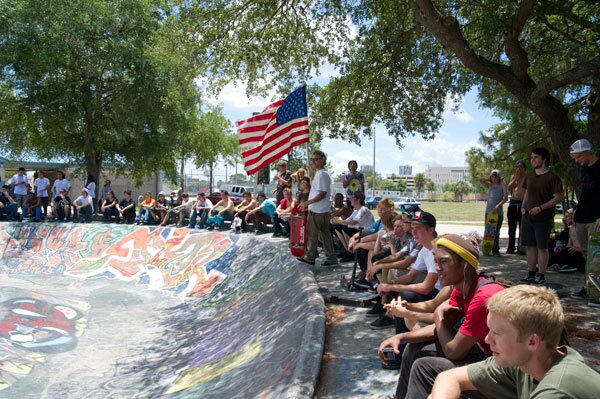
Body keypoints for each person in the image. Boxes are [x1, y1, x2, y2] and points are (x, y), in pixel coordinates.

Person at [378, 233, 504, 399]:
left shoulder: (483, 296)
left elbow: (453, 352)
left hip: (501, 371)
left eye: (444, 261)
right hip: (483, 354)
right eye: (436, 261)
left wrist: (437, 315)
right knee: (414, 348)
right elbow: (439, 329)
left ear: (465, 265)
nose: (437, 268)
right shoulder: (463, 288)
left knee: (424, 367)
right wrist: (401, 338)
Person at [430, 285, 600, 399]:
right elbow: (449, 377)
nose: (488, 339)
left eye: (496, 333)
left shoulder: (556, 391)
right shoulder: (527, 361)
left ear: (532, 341)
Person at [373, 212, 440, 330]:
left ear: (431, 230)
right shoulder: (425, 249)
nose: (413, 232)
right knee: (395, 289)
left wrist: (393, 287)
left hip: (440, 294)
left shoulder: (438, 250)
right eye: (412, 228)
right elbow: (410, 276)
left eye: (418, 228)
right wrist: (389, 285)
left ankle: (403, 339)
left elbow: (426, 288)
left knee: (404, 295)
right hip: (432, 291)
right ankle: (394, 320)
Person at [520, 147, 563, 285]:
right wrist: (523, 206)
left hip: (544, 219)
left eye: (536, 157)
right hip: (527, 217)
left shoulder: (553, 177)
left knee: (542, 248)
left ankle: (541, 274)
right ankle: (530, 273)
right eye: (531, 157)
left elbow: (558, 198)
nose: (533, 160)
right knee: (529, 246)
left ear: (544, 159)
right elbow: (527, 192)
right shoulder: (529, 176)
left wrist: (540, 208)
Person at [568, 139, 600, 307]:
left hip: (595, 220)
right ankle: (588, 288)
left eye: (578, 156)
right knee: (587, 256)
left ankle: (598, 292)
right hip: (582, 218)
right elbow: (585, 195)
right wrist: (576, 213)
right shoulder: (585, 170)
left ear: (586, 153)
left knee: (597, 257)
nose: (576, 160)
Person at [298, 150, 338, 267]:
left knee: (313, 234)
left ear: (322, 160)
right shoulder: (321, 174)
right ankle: (331, 258)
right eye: (312, 160)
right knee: (325, 235)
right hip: (323, 210)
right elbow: (315, 186)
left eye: (316, 159)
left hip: (317, 211)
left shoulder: (321, 175)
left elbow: (322, 194)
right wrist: (310, 170)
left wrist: (306, 203)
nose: (313, 162)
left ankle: (311, 257)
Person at [331, 191, 374, 261]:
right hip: (360, 230)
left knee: (345, 229)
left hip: (367, 232)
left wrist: (339, 221)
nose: (350, 199)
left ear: (358, 199)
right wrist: (337, 221)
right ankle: (348, 250)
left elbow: (353, 222)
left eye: (352, 198)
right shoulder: (356, 211)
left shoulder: (363, 209)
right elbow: (347, 221)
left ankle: (351, 253)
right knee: (338, 227)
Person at [479, 169, 507, 256]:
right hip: (489, 211)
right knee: (488, 231)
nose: (494, 178)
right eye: (493, 176)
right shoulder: (489, 185)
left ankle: (495, 250)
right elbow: (480, 180)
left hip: (498, 212)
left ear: (499, 177)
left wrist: (498, 206)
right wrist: (488, 179)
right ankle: (487, 249)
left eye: (496, 176)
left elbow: (505, 198)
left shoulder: (502, 184)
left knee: (496, 231)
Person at [549, 209, 586, 274]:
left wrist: (577, 248)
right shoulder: (571, 229)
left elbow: (587, 246)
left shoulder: (584, 229)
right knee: (564, 251)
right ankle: (549, 263)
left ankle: (574, 266)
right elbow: (569, 245)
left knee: (574, 253)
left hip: (581, 253)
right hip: (572, 252)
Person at [506, 160, 526, 253]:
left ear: (524, 167)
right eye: (517, 167)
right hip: (513, 203)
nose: (518, 168)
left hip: (523, 203)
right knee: (511, 227)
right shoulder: (513, 176)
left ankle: (521, 248)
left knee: (522, 227)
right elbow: (509, 188)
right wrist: (515, 179)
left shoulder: (527, 177)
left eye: (520, 166)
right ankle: (511, 247)